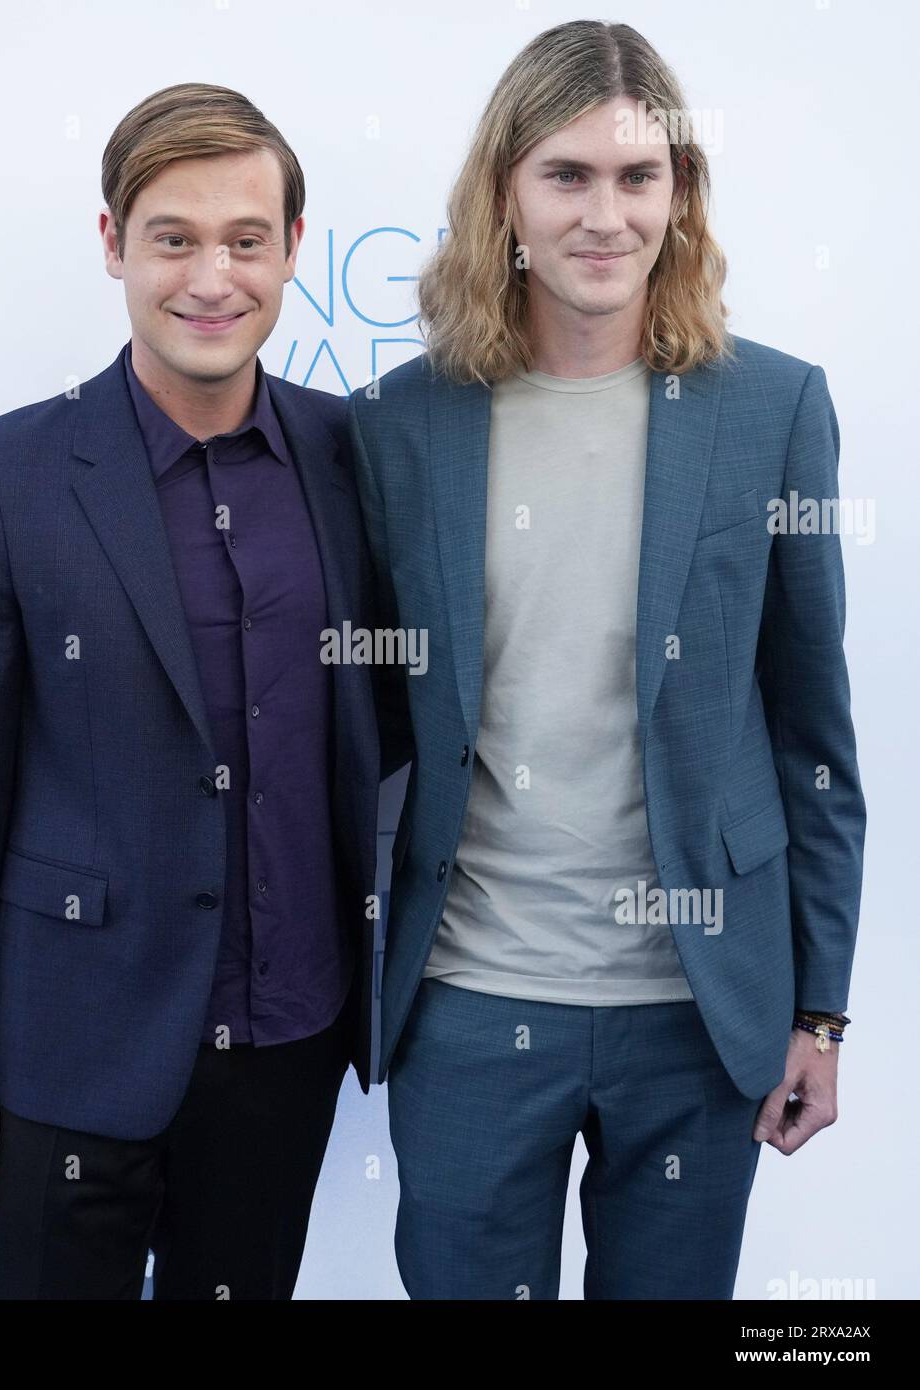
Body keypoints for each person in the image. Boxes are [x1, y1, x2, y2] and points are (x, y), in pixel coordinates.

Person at [349, 20, 865, 1299]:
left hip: (698, 1012)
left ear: (679, 197)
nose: (604, 214)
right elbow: (364, 733)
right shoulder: (397, 426)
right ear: (504, 194)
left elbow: (812, 737)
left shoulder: (771, 409)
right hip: (467, 1002)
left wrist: (819, 1010)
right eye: (565, 175)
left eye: (639, 178)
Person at [0, 82, 393, 1300]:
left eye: (245, 239)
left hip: (288, 1043)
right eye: (173, 238)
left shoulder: (355, 455)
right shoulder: (1, 474)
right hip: (65, 1052)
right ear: (115, 244)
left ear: (292, 250)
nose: (211, 277)